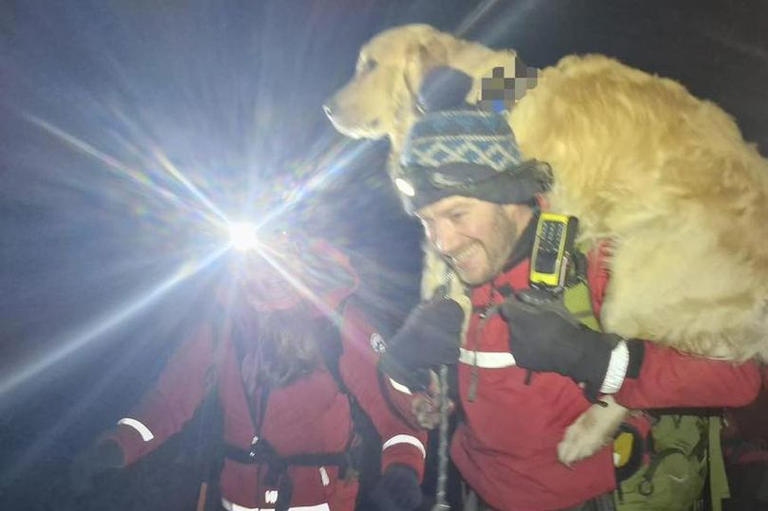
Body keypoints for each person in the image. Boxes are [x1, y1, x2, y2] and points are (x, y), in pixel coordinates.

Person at [377, 68, 764, 511]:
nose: (442, 242)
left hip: (589, 497)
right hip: (478, 493)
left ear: (509, 195)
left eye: (457, 215)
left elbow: (739, 377)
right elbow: (434, 405)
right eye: (427, 222)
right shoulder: (451, 276)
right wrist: (406, 370)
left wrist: (600, 359)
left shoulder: (596, 255)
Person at [70, 231, 427, 511]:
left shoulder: (338, 322)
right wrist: (119, 446)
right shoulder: (222, 323)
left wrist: (403, 469)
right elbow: (170, 401)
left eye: (281, 253)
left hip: (322, 501)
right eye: (257, 257)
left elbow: (397, 411)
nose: (268, 269)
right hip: (235, 499)